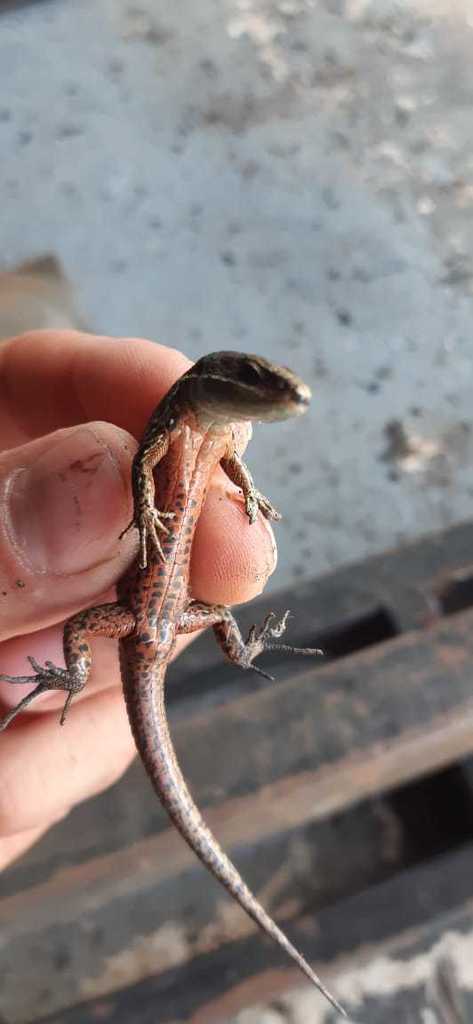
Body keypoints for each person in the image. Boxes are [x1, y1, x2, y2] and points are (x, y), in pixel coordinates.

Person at [0, 330, 277, 870]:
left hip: (145, 618)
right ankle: (77, 677)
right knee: (207, 607)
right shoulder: (176, 414)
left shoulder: (213, 436)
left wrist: (253, 495)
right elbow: (142, 462)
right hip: (147, 616)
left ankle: (238, 654)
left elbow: (232, 466)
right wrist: (143, 511)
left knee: (214, 610)